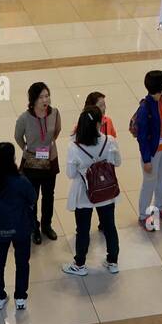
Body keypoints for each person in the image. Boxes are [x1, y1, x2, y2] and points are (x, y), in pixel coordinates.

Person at [62, 105, 123, 277]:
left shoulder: (74, 147)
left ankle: (80, 264)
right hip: (106, 192)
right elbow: (117, 162)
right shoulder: (110, 141)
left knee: (83, 229)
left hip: (84, 195)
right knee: (110, 226)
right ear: (98, 124)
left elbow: (70, 174)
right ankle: (112, 261)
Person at [0, 142, 35, 310]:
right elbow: (32, 198)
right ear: (12, 159)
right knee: (22, 262)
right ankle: (20, 297)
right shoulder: (20, 181)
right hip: (20, 228)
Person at [14, 82, 62, 244]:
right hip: (32, 163)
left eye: (47, 96)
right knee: (32, 197)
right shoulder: (24, 118)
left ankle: (46, 225)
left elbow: (56, 131)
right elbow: (18, 137)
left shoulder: (54, 113)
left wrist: (48, 146)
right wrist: (28, 151)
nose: (45, 100)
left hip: (49, 161)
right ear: (33, 100)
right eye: (41, 97)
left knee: (49, 195)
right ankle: (34, 227)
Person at [133, 69, 162, 228]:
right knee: (149, 183)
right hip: (152, 152)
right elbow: (142, 137)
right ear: (158, 86)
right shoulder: (145, 108)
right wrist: (146, 159)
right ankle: (144, 214)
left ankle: (160, 207)